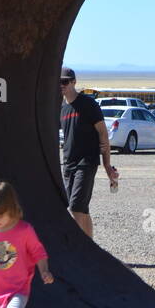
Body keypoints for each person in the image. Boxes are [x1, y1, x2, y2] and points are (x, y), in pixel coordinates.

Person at [59, 68, 118, 239]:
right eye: (59, 82)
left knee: (76, 206)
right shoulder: (63, 108)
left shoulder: (88, 104)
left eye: (65, 82)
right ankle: (89, 247)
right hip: (68, 164)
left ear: (74, 82)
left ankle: (79, 249)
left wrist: (107, 165)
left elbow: (103, 134)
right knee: (81, 209)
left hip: (86, 162)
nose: (61, 85)